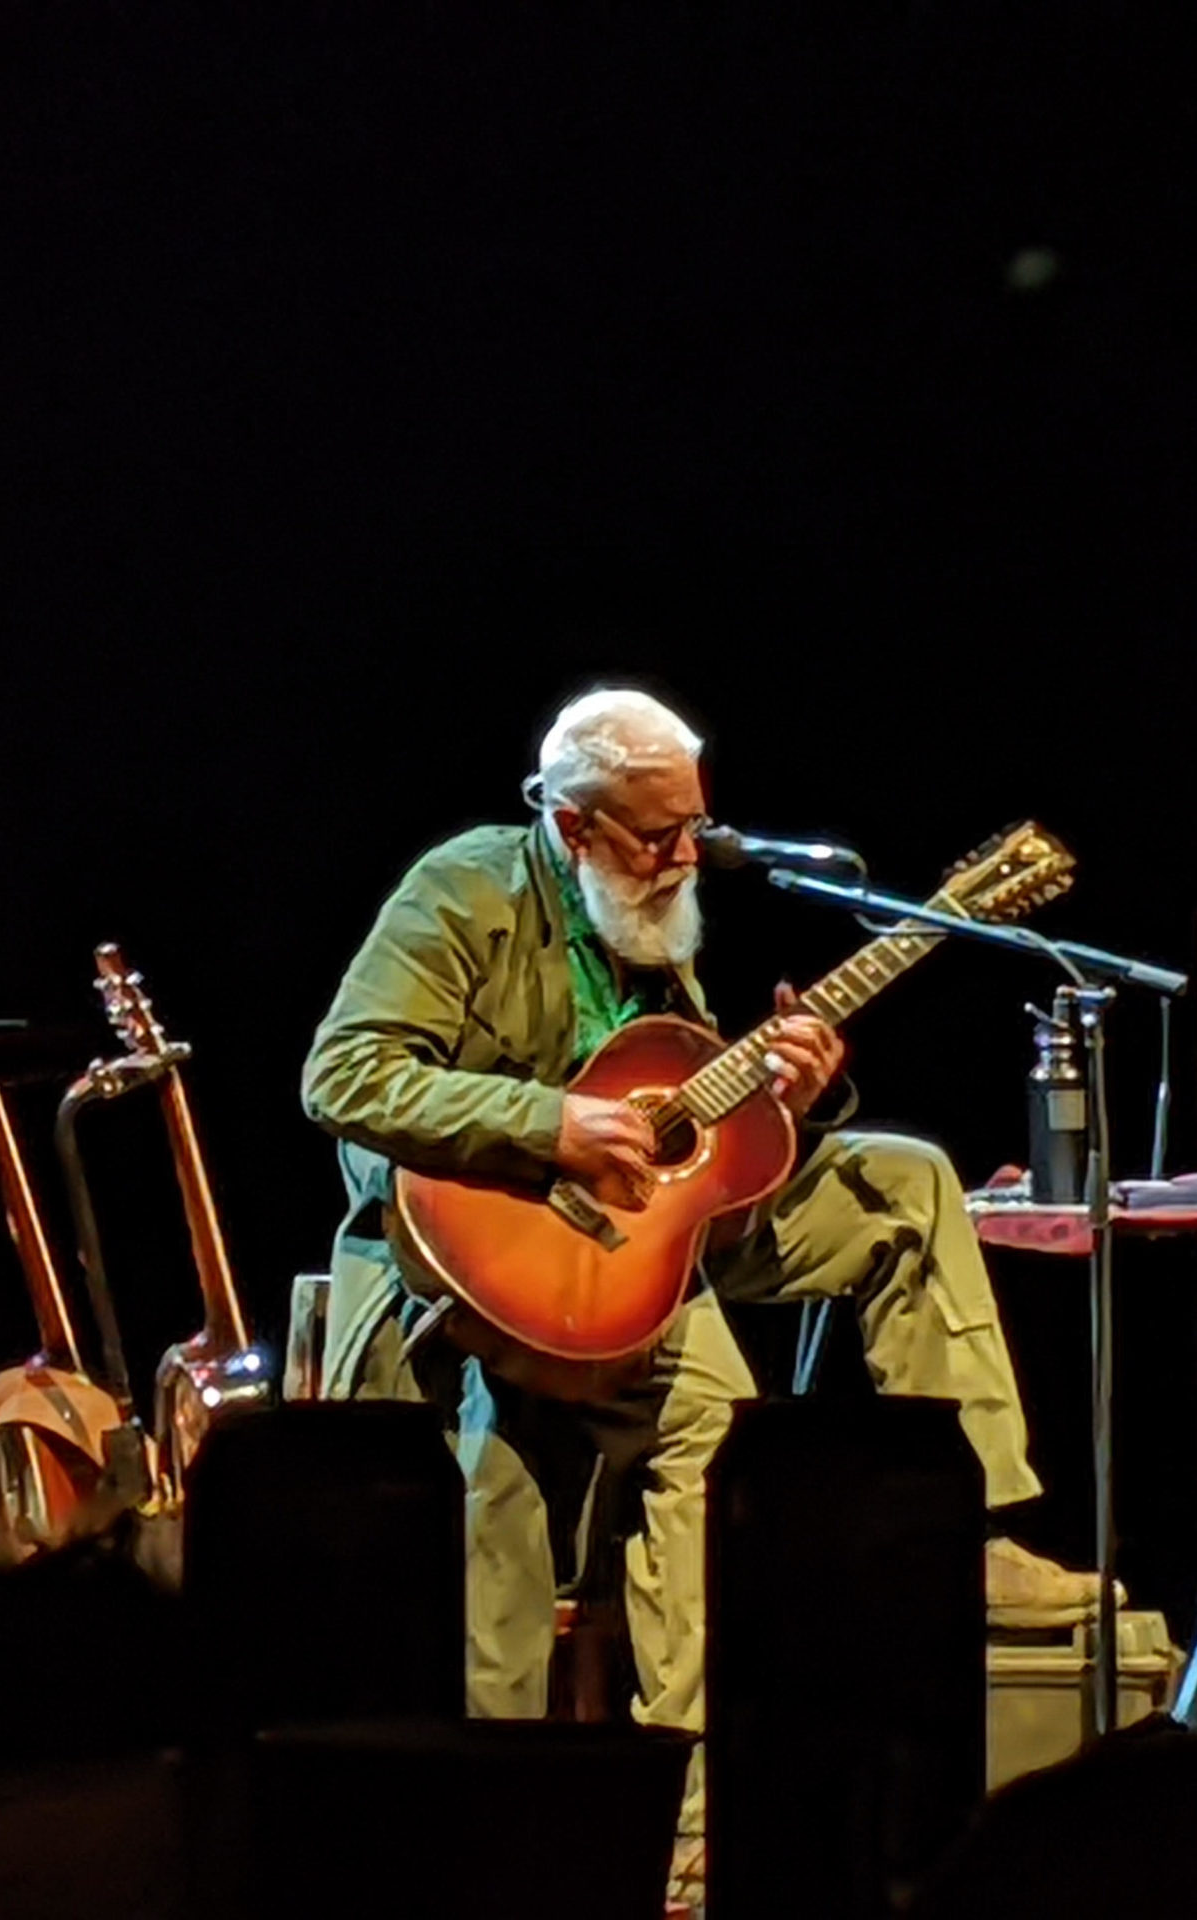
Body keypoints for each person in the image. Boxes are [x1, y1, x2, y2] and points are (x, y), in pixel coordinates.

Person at [301, 686, 1106, 1904]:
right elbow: (343, 1075)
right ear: (571, 828)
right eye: (652, 835)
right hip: (478, 1261)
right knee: (600, 1475)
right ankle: (564, 1836)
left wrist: (796, 1088)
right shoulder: (466, 889)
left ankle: (967, 1534)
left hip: (652, 1246)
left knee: (900, 1184)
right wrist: (546, 1124)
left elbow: (691, 1119)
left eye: (693, 826)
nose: (686, 856)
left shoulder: (655, 912)